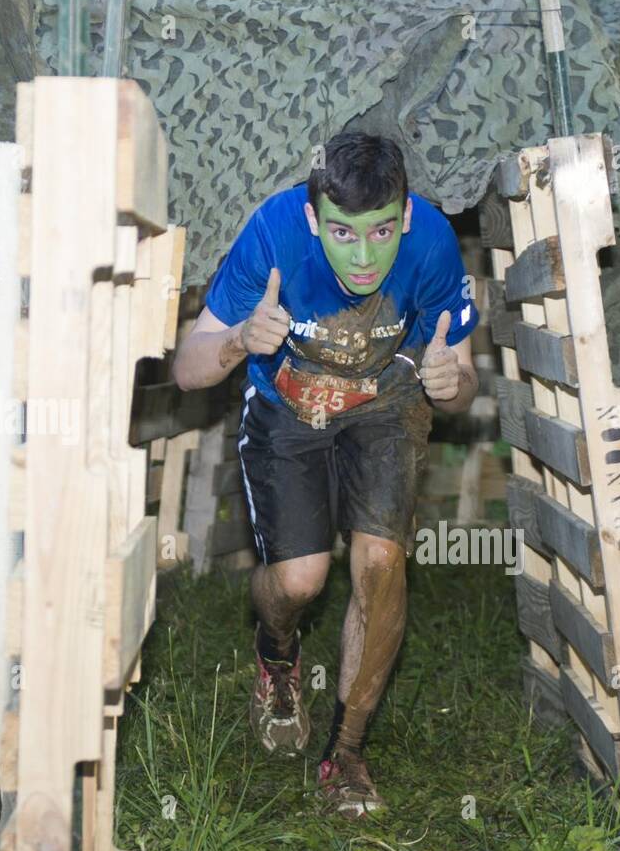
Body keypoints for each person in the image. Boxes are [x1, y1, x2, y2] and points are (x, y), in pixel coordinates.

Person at [173, 132, 480, 815]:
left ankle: (345, 754)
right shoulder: (274, 232)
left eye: (380, 232)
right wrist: (235, 340)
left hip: (386, 400)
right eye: (343, 232)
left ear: (402, 218)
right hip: (289, 400)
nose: (364, 255)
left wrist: (448, 379)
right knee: (299, 579)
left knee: (379, 561)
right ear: (314, 219)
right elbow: (186, 368)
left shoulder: (430, 242)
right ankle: (277, 654)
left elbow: (460, 377)